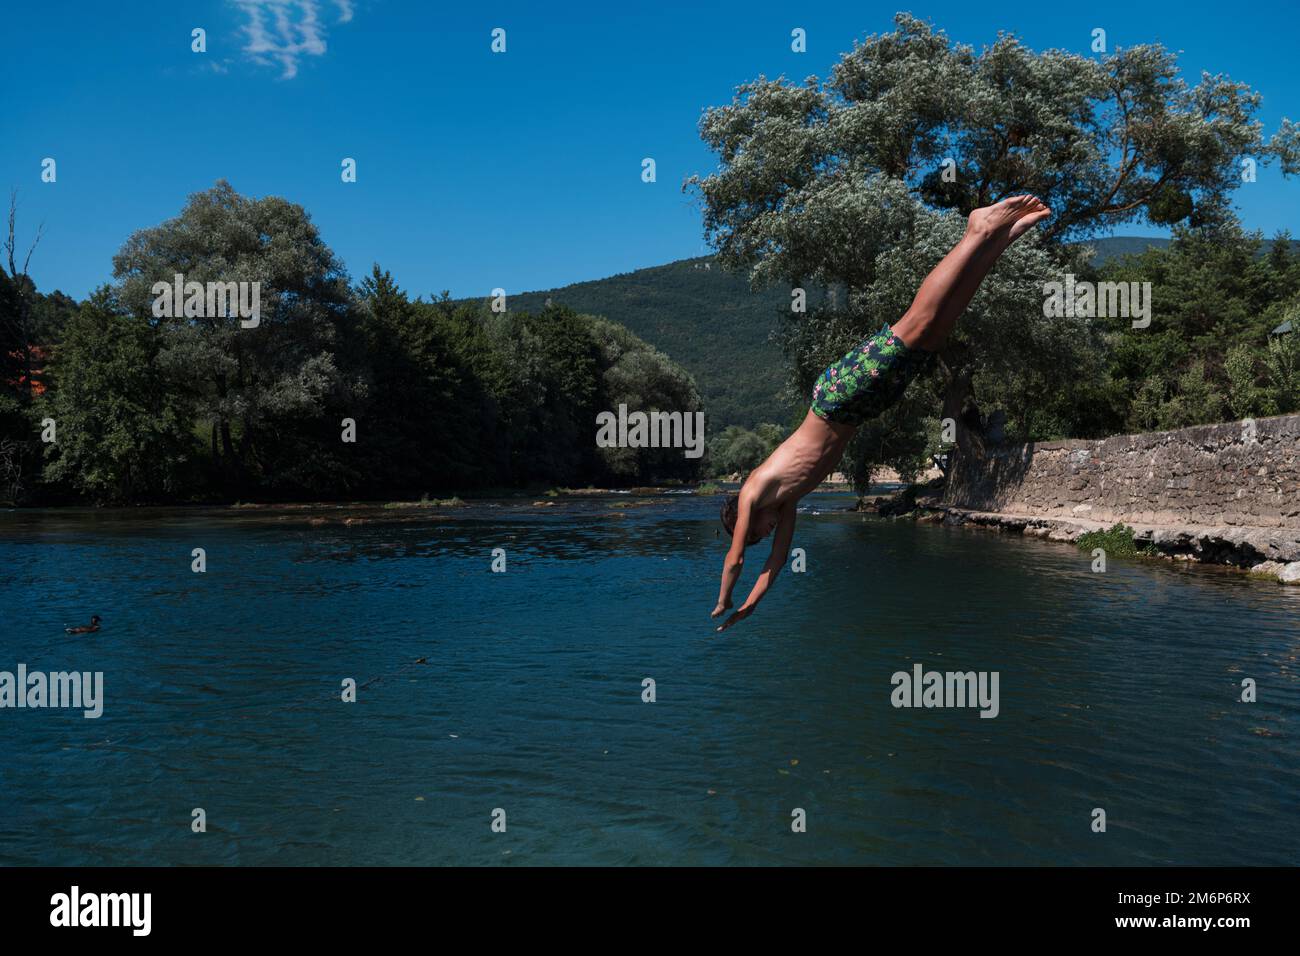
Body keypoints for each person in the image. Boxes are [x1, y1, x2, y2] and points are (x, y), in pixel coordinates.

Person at [712, 195, 1051, 632]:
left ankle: (977, 230)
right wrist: (751, 605)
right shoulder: (790, 499)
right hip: (860, 407)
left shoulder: (755, 490)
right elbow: (776, 563)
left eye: (758, 530)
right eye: (763, 532)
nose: (767, 530)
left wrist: (723, 599)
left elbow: (736, 557)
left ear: (744, 516)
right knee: (936, 331)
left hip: (838, 396)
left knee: (916, 321)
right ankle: (998, 240)